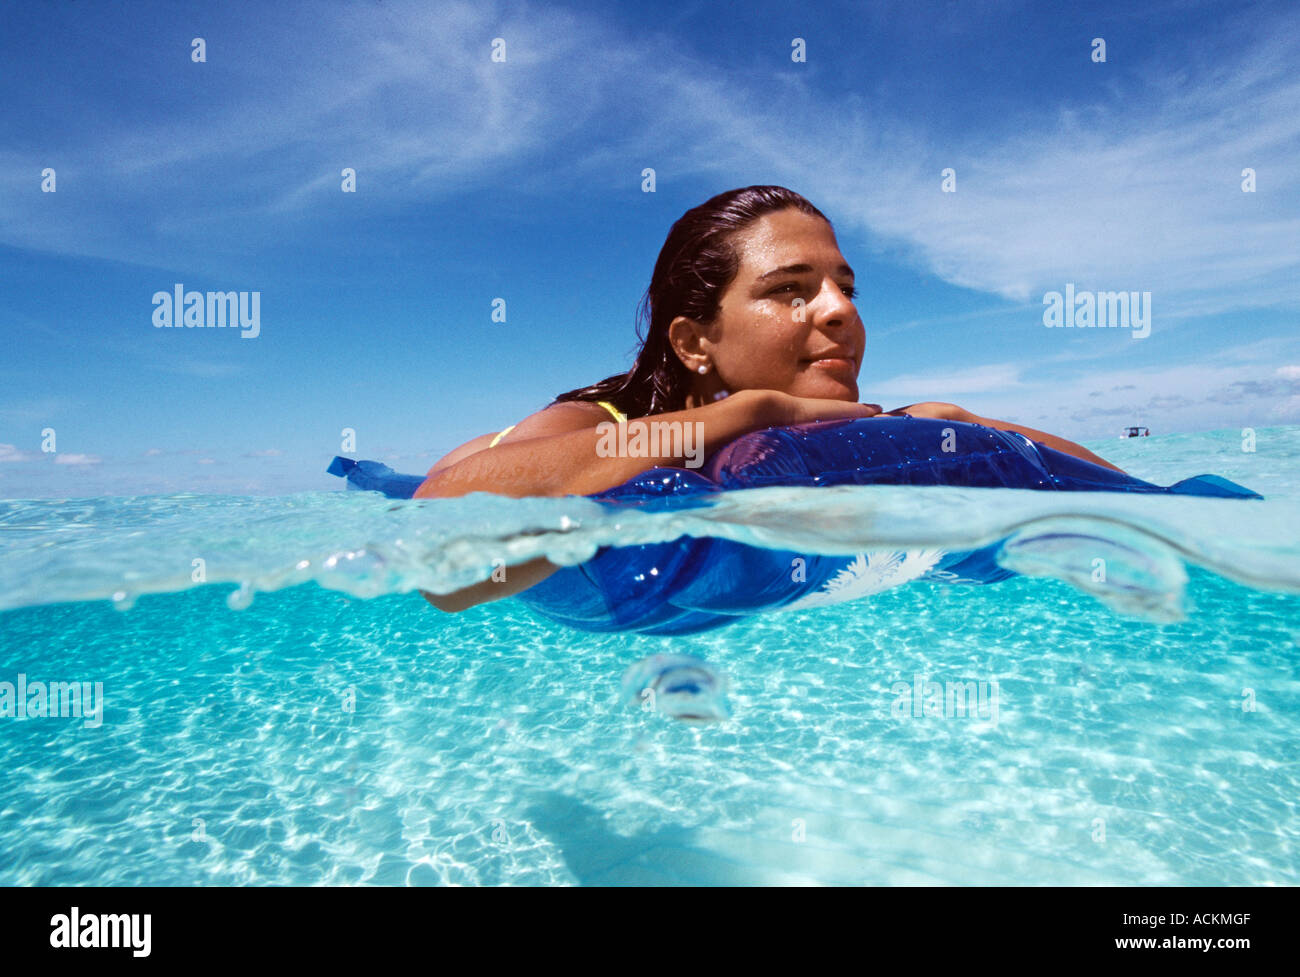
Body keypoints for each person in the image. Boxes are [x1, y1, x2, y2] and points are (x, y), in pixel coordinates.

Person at [415, 185, 1123, 612]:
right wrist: (749, 413)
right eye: (791, 289)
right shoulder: (599, 419)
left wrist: (960, 431)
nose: (841, 310)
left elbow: (1118, 491)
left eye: (847, 287)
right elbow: (439, 525)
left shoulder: (861, 433)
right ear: (695, 343)